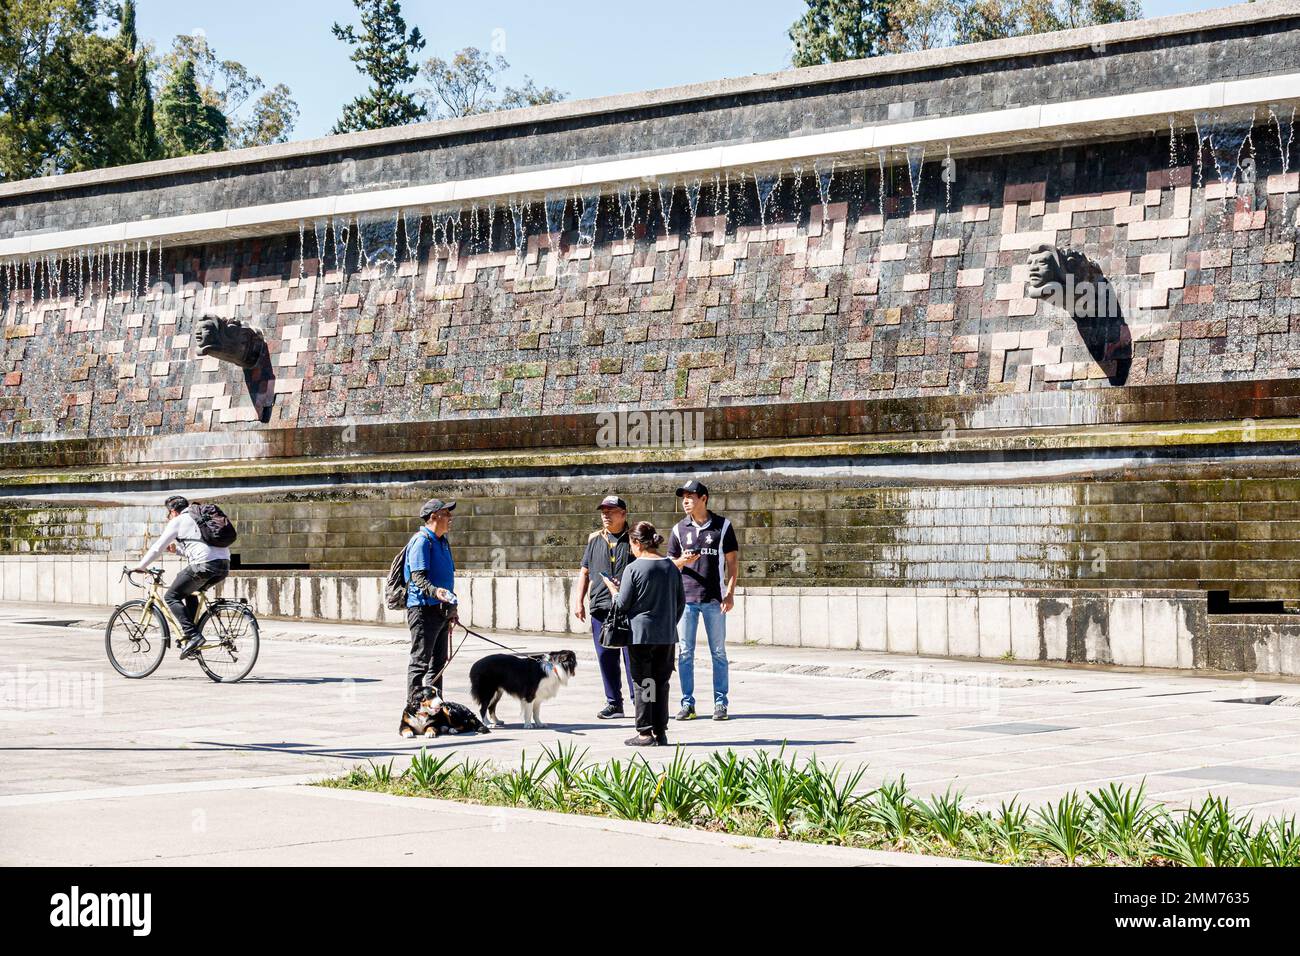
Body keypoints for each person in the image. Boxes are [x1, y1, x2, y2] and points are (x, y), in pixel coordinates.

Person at [601, 521, 685, 747]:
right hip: (667, 635)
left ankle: (645, 732)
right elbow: (680, 603)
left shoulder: (634, 568)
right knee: (662, 682)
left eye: (631, 543)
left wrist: (613, 590)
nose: (631, 548)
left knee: (644, 682)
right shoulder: (670, 566)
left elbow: (622, 603)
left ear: (637, 542)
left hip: (641, 636)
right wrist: (668, 623)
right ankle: (661, 730)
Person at [667, 479, 739, 721]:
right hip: (686, 600)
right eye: (683, 497)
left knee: (718, 652)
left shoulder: (722, 526)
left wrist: (729, 593)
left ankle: (721, 703)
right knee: (685, 653)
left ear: (704, 498)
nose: (686, 501)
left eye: (690, 496)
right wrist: (682, 561)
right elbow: (670, 565)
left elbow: (732, 563)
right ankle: (688, 704)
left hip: (714, 601)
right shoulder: (679, 529)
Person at [133, 495, 231, 660]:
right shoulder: (198, 518)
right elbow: (201, 548)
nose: (168, 517)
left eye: (168, 514)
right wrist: (176, 550)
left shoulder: (178, 521)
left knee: (171, 597)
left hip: (203, 565)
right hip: (224, 564)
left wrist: (141, 566)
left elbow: (157, 547)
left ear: (172, 511)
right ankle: (191, 637)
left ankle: (193, 636)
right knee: (189, 593)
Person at [574, 495, 635, 719]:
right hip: (600, 607)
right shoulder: (594, 539)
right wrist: (579, 601)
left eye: (611, 510)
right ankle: (614, 703)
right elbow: (584, 572)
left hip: (628, 608)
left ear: (623, 514)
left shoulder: (634, 539)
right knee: (605, 656)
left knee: (632, 658)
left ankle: (638, 701)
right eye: (603, 511)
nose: (606, 515)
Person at [405, 498, 458, 700]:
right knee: (420, 662)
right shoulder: (422, 541)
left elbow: (446, 578)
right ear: (434, 516)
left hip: (442, 609)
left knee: (438, 663)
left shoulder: (442, 541)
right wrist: (435, 592)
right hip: (423, 609)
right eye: (446, 513)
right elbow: (418, 577)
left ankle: (435, 706)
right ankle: (414, 708)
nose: (450, 517)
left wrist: (452, 607)